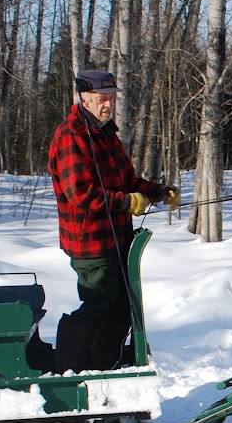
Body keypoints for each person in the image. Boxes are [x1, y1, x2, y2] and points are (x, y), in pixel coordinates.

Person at [47, 68, 180, 370]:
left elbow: (128, 181)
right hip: (91, 242)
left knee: (121, 306)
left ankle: (106, 365)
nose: (108, 104)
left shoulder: (106, 134)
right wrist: (126, 202)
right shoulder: (71, 137)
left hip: (116, 238)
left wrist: (158, 192)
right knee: (99, 304)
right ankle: (69, 370)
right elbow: (80, 192)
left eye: (111, 98)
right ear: (84, 98)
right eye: (101, 98)